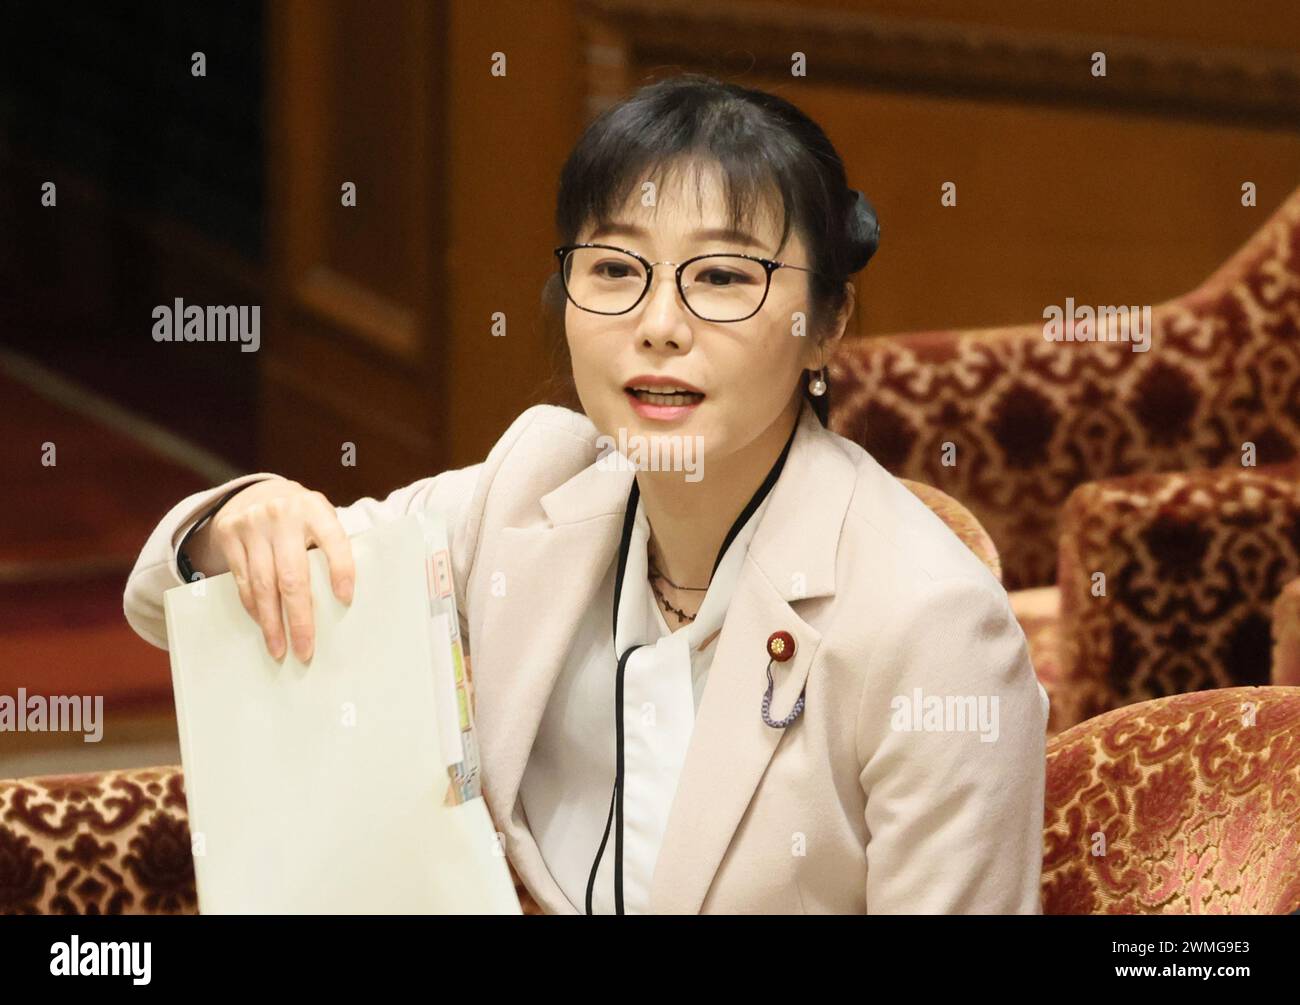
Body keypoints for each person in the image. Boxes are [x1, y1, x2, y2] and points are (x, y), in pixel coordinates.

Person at [124, 73, 1049, 914]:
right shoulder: (534, 485)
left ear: (826, 326)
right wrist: (237, 521)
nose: (657, 327)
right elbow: (171, 601)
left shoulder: (931, 628)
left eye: (722, 278)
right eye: (614, 269)